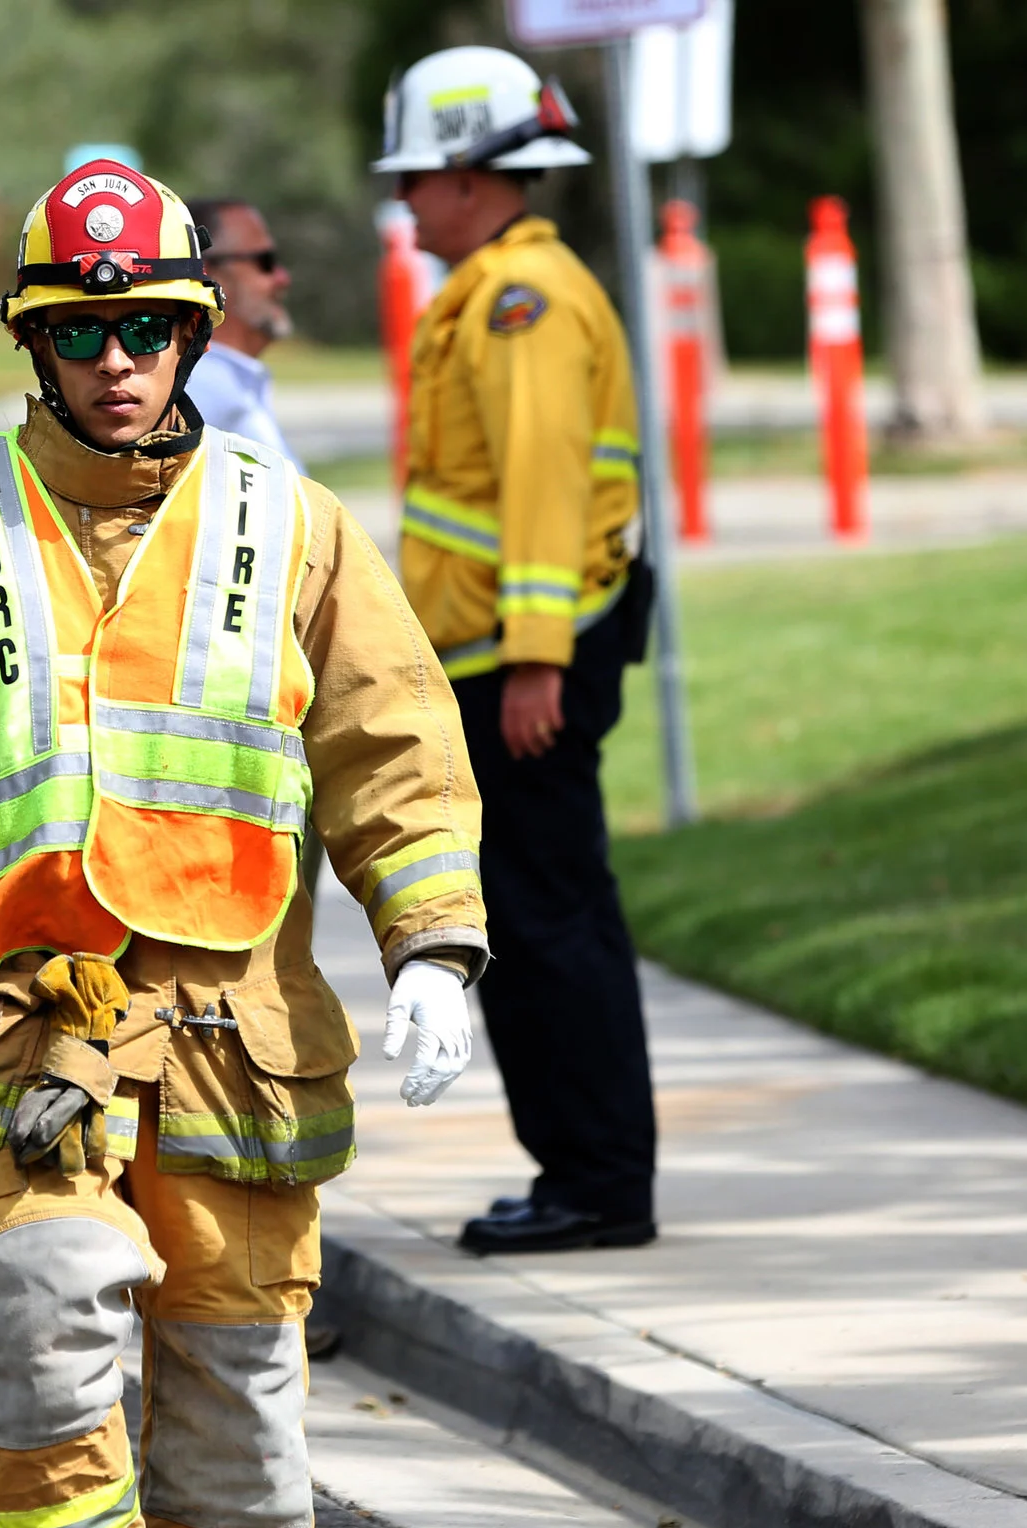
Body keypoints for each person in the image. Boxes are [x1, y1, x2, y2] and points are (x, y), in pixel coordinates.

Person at [0, 157, 487, 1528]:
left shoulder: (291, 527)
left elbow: (396, 750)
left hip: (241, 1042)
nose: (118, 361)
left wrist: (434, 946)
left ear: (195, 335)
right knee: (43, 1311)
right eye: (84, 334)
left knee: (239, 1396)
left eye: (149, 329)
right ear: (34, 343)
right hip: (24, 1028)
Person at [373, 47, 659, 1257]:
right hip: (497, 657)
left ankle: (593, 1180)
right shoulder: (497, 290)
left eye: (418, 177)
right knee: (539, 915)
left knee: (546, 921)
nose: (404, 200)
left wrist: (537, 657)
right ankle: (580, 1171)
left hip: (523, 665)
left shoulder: (518, 305)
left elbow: (541, 489)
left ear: (475, 178)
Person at [183, 196, 301, 471]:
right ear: (208, 274)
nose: (282, 278)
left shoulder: (230, 384)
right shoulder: (202, 395)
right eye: (264, 262)